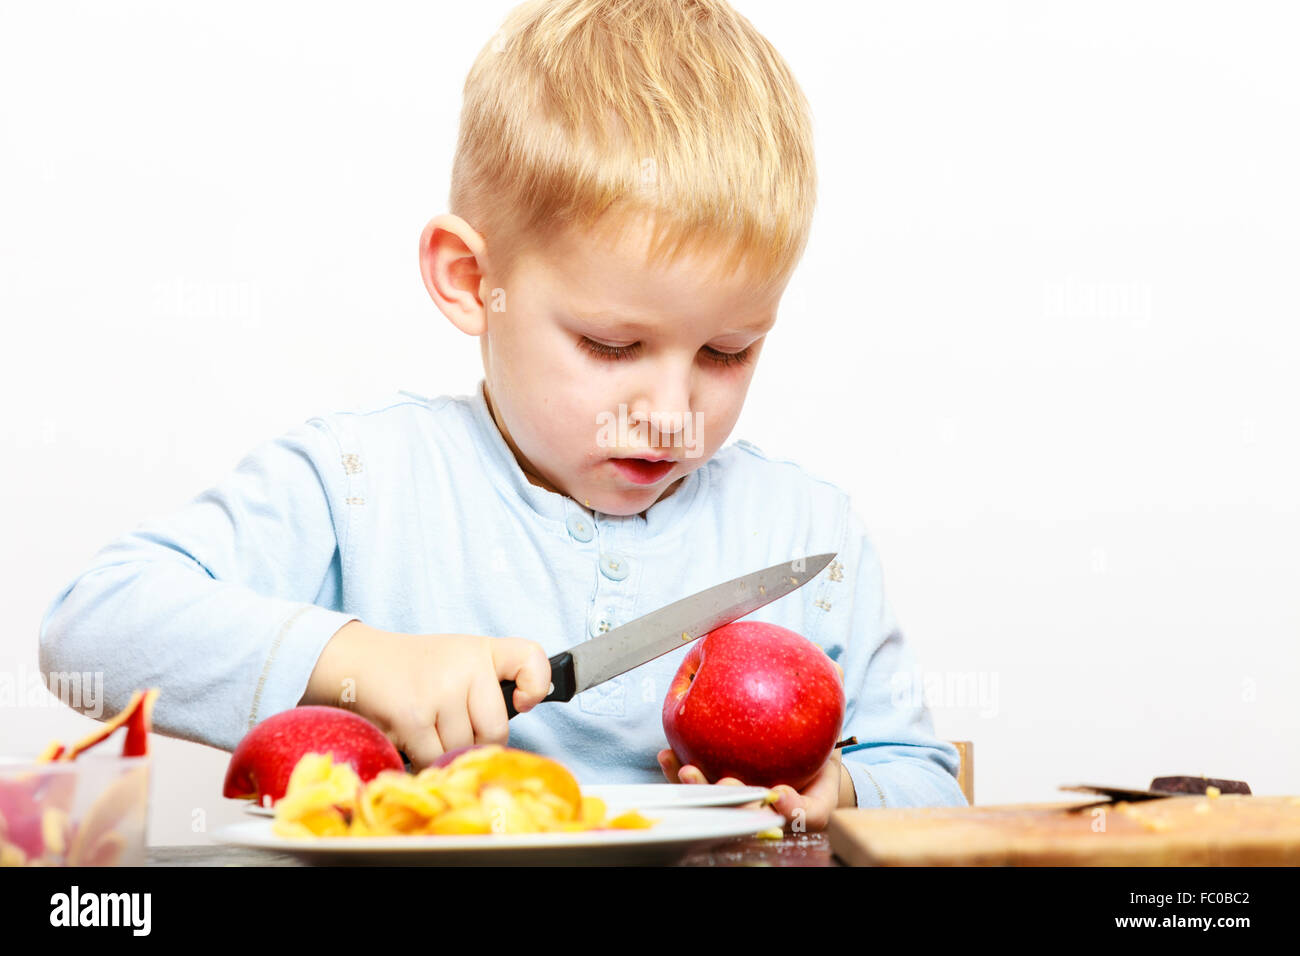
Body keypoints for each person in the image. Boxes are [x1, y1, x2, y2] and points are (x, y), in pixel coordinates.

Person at [38, 0, 967, 830]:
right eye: (611, 346)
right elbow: (91, 625)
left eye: (727, 352)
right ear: (474, 282)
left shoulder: (806, 533)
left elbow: (926, 785)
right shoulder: (362, 487)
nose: (673, 416)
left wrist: (841, 791)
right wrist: (360, 662)